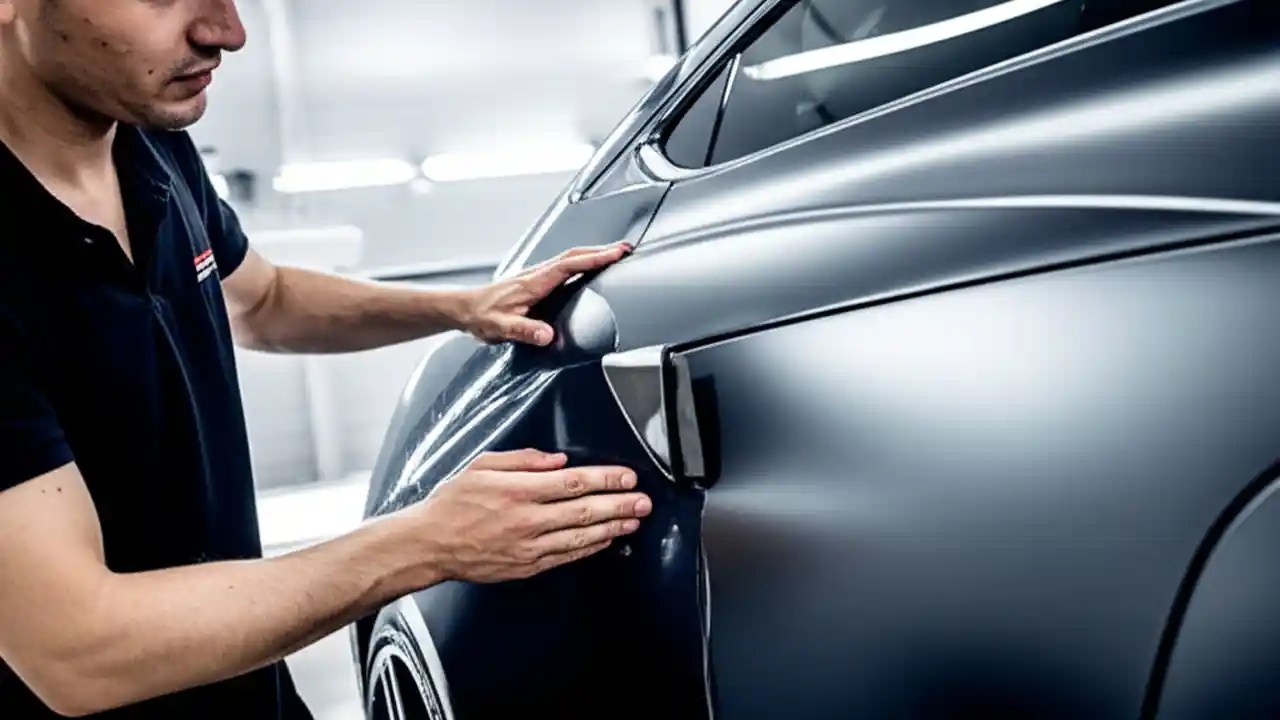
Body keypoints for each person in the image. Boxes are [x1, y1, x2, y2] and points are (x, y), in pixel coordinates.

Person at [0, 0, 652, 717]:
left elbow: (263, 299)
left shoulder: (148, 142)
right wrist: (422, 544)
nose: (226, 31)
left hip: (249, 688)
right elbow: (76, 651)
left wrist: (465, 308)